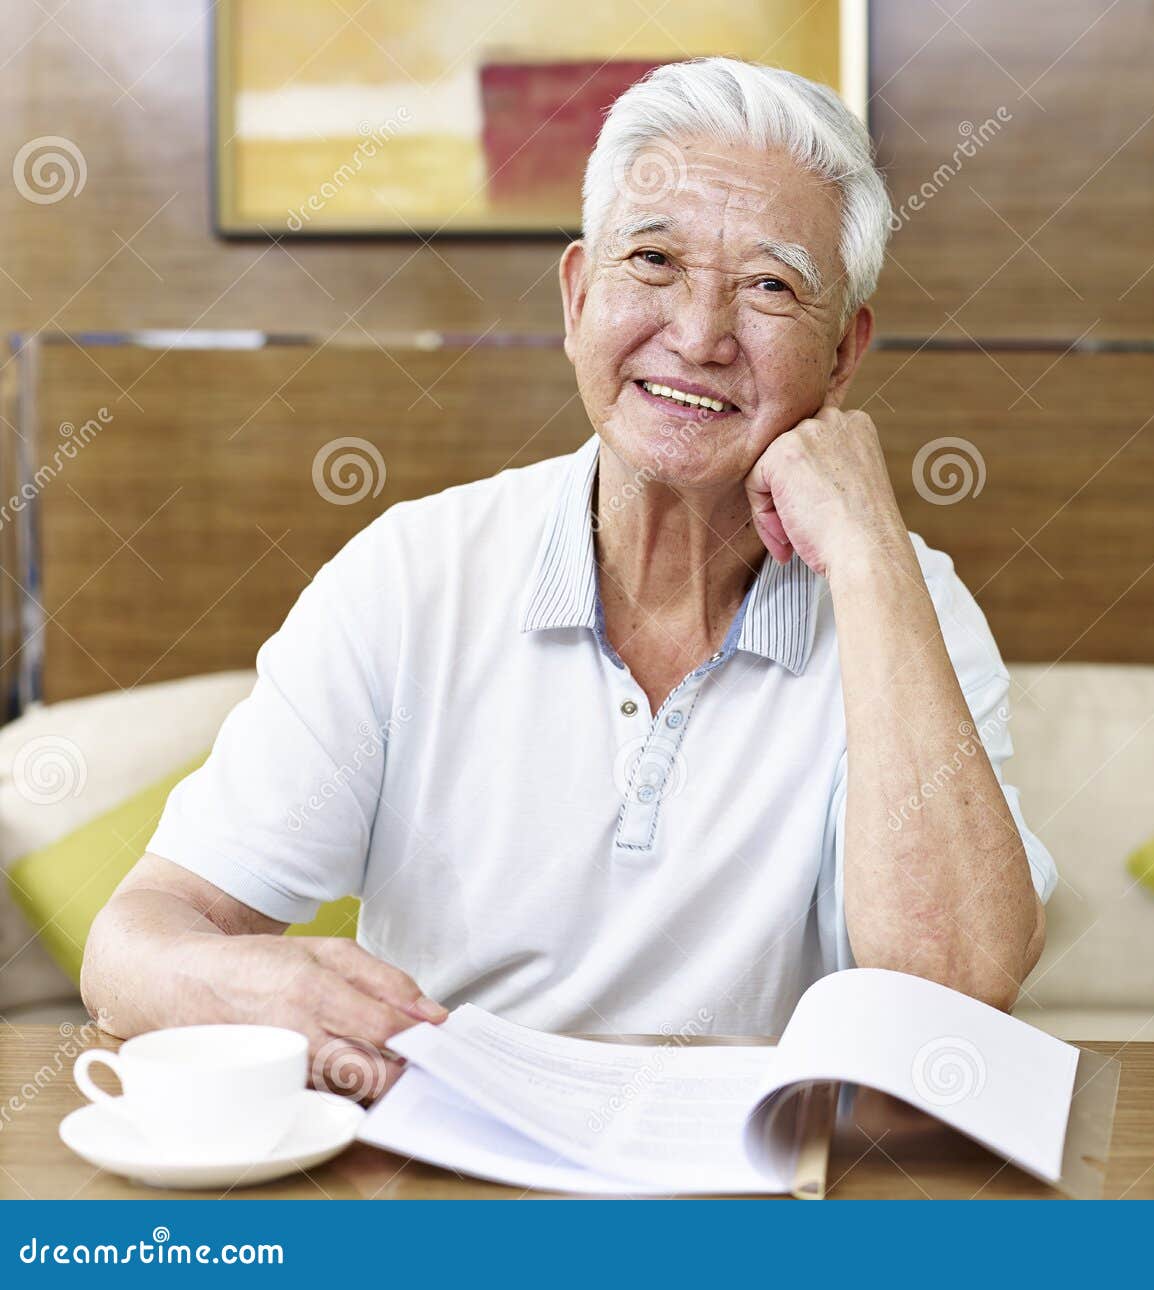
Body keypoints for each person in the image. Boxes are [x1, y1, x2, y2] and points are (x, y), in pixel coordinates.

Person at [81, 58, 1056, 1100]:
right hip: (451, 1160)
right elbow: (133, 946)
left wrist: (868, 553)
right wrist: (253, 988)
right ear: (580, 294)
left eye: (771, 286)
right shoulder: (410, 576)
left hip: (753, 1175)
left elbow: (954, 990)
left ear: (844, 355)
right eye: (654, 262)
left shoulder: (908, 604)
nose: (699, 336)